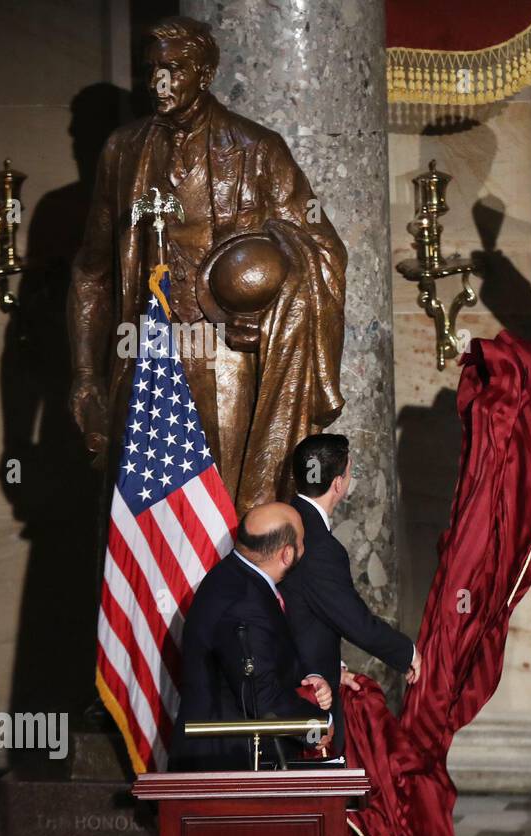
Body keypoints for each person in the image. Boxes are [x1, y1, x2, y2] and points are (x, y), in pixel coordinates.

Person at [68, 15, 347, 514]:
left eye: (175, 69)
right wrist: (86, 375)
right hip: (143, 353)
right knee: (145, 525)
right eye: (151, 69)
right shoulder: (122, 151)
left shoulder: (258, 150)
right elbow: (91, 272)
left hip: (227, 361)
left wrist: (264, 296)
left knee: (229, 516)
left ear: (206, 71)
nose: (160, 83)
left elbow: (323, 247)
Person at [280, 434, 420, 752]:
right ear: (339, 483)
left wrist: (333, 667)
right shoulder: (318, 543)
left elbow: (303, 611)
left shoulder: (291, 522)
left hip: (306, 677)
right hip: (303, 694)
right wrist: (407, 653)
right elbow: (352, 619)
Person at [171, 503, 333, 771]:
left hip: (231, 758)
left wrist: (307, 679)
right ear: (287, 554)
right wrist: (317, 724)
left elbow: (262, 659)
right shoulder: (245, 602)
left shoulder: (236, 577)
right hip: (226, 767)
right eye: (303, 542)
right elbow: (259, 696)